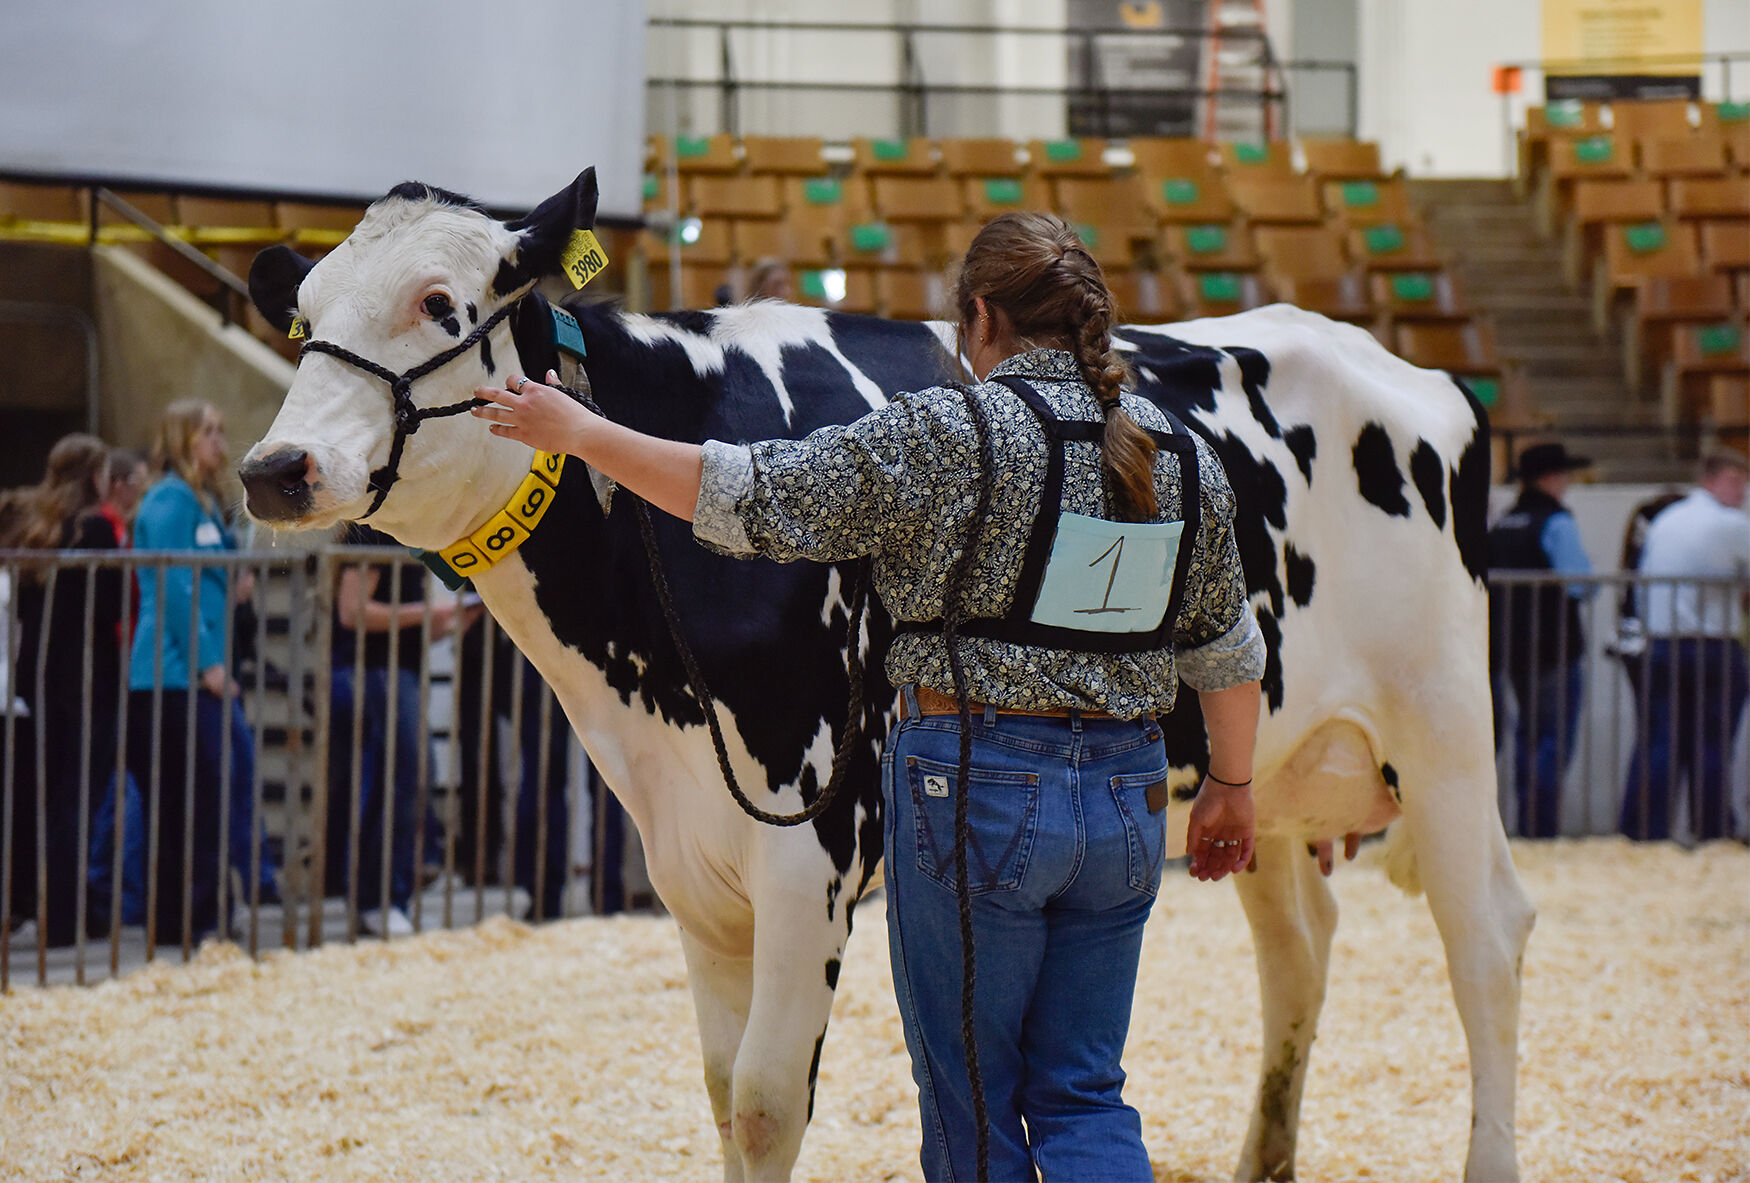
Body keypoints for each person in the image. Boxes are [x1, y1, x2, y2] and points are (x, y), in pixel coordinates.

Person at [472, 211, 1265, 1181]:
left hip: (978, 785)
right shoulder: (1175, 453)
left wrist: (585, 435)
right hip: (1129, 801)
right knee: (1082, 1089)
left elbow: (754, 495)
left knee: (973, 1095)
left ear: (979, 317)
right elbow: (1226, 648)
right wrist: (1231, 784)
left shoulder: (949, 432)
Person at [127, 400, 277, 943]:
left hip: (197, 674)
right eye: (208, 432)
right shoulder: (169, 500)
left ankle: (202, 915)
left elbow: (203, 580)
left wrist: (235, 586)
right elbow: (175, 587)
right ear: (184, 439)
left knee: (218, 791)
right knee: (192, 802)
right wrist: (209, 663)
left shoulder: (203, 503)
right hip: (174, 676)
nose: (220, 440)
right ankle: (188, 921)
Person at [0, 434, 127, 945]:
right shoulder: (91, 526)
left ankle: (42, 905)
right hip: (86, 675)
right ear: (93, 475)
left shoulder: (33, 524)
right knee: (77, 798)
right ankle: (66, 916)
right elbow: (113, 603)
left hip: (39, 674)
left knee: (47, 795)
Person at [328, 523, 481, 935]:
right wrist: (430, 614)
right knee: (400, 779)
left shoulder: (406, 537)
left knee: (401, 781)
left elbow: (403, 622)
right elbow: (353, 611)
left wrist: (449, 623)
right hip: (377, 670)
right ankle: (379, 898)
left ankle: (387, 896)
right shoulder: (376, 533)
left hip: (397, 668)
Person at [1620, 450, 1750, 841]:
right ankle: (1710, 831)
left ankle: (1643, 832)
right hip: (1711, 646)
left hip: (1661, 644)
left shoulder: (1667, 520)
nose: (1741, 490)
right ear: (1710, 479)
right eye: (1734, 480)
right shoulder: (1730, 523)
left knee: (1659, 741)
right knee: (1711, 743)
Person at [1488, 441, 1595, 838]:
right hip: (1553, 649)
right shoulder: (1556, 521)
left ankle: (1526, 825)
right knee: (1551, 739)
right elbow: (1580, 585)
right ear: (1552, 478)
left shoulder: (1503, 523)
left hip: (1509, 651)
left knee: (1526, 738)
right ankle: (1541, 828)